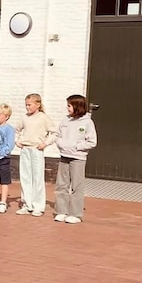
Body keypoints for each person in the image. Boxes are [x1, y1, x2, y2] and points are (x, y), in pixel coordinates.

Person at [55, 95, 97, 224]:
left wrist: (76, 147)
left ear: (77, 106)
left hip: (78, 158)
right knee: (61, 185)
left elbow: (92, 142)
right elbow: (58, 135)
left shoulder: (87, 122)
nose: (67, 108)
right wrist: (61, 144)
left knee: (77, 186)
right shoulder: (65, 120)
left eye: (69, 105)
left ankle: (75, 214)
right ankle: (61, 211)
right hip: (64, 156)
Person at [15, 93, 57, 217]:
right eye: (26, 105)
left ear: (38, 104)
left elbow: (54, 132)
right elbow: (16, 130)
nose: (27, 107)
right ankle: (26, 204)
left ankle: (38, 206)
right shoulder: (24, 118)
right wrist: (17, 141)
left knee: (37, 178)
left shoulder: (43, 118)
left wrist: (45, 143)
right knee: (25, 177)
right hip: (25, 149)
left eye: (29, 105)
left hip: (37, 149)